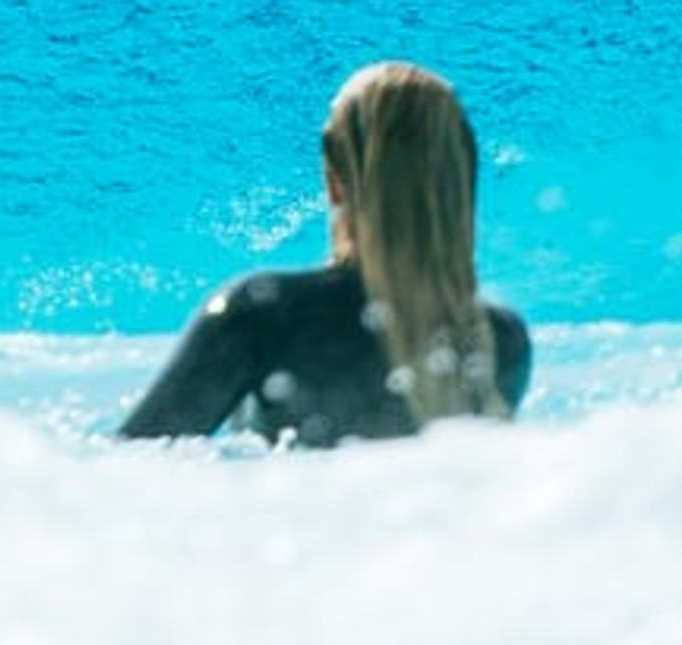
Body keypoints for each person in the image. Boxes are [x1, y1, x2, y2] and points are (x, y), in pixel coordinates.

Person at [117, 62, 530, 447]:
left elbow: (124, 471)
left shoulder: (262, 315)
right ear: (462, 178)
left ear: (335, 181)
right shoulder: (499, 340)